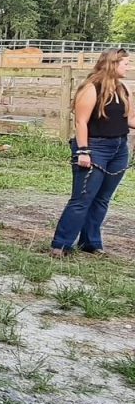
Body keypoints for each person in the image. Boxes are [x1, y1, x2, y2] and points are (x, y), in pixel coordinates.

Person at [50, 48, 134, 257]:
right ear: (113, 63)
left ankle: (90, 242)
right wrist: (83, 151)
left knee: (103, 198)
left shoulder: (124, 89)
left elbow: (130, 120)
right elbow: (81, 122)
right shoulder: (91, 88)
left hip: (119, 148)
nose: (129, 67)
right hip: (95, 147)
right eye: (126, 63)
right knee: (82, 198)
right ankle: (60, 245)